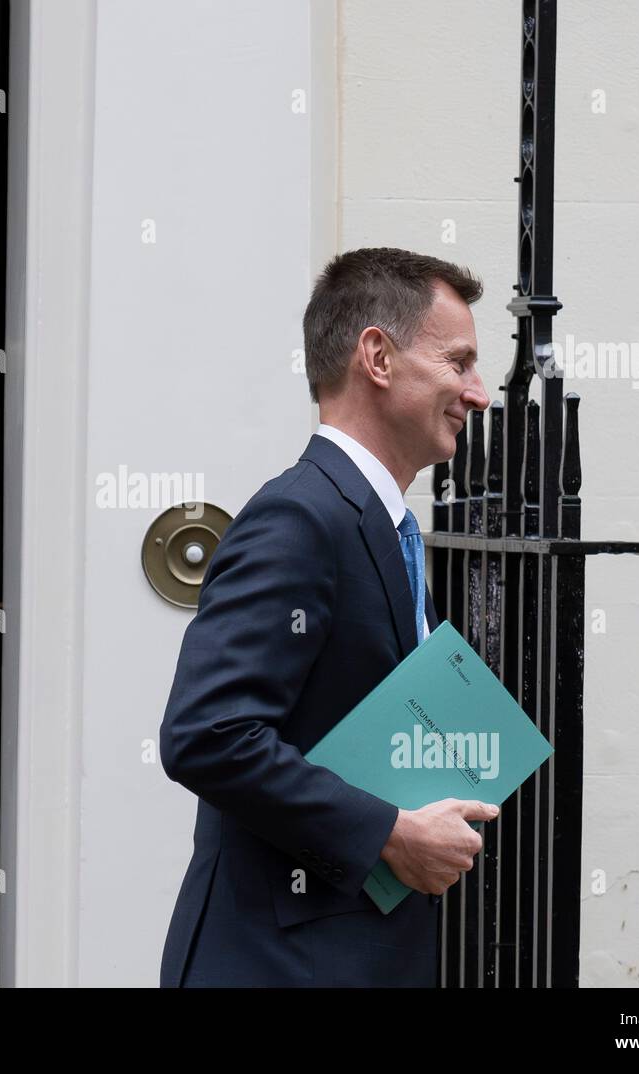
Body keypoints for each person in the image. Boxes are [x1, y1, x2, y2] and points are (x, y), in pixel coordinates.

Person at [159, 247, 500, 987]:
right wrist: (390, 832)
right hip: (281, 963)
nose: (479, 393)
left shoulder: (382, 523)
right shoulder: (299, 516)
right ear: (377, 356)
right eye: (459, 361)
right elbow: (206, 734)